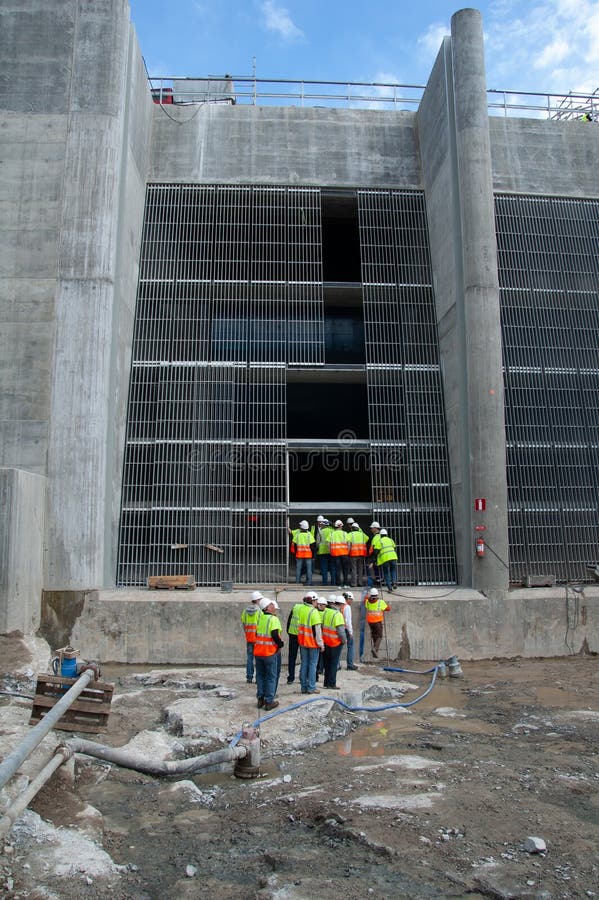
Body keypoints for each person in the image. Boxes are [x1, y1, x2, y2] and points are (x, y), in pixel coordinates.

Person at [254, 598, 284, 710]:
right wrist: (280, 644)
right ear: (267, 607)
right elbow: (275, 634)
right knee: (271, 677)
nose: (274, 607)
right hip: (269, 652)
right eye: (272, 605)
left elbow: (257, 633)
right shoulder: (273, 619)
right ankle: (269, 701)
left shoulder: (260, 618)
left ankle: (260, 698)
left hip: (258, 652)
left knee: (260, 676)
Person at [286, 590, 317, 684]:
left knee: (292, 657)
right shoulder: (309, 610)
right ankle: (304, 677)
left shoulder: (296, 607)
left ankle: (291, 677)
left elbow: (289, 620)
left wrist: (289, 631)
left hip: (293, 634)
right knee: (305, 658)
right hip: (303, 635)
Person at [297, 593, 324, 694]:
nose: (317, 603)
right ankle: (311, 688)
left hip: (303, 641)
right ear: (312, 601)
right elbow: (317, 631)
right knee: (313, 665)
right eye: (316, 601)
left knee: (304, 664)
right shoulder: (314, 612)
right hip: (312, 643)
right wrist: (321, 644)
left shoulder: (301, 609)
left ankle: (303, 687)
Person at [321, 597, 347, 689]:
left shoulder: (326, 611)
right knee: (333, 664)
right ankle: (332, 683)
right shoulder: (338, 615)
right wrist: (344, 641)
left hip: (325, 642)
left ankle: (326, 683)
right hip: (335, 643)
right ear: (341, 605)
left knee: (327, 664)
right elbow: (341, 631)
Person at [241, 589, 263, 683]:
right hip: (257, 639)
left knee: (249, 658)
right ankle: (258, 678)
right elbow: (262, 625)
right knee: (258, 660)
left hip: (249, 638)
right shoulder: (259, 612)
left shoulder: (245, 611)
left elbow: (243, 623)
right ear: (257, 600)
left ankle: (249, 677)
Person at [364, 587, 390, 659]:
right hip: (377, 622)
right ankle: (375, 649)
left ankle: (375, 650)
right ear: (377, 595)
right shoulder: (380, 602)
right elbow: (388, 608)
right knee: (380, 636)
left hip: (370, 622)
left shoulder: (367, 602)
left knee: (375, 635)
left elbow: (365, 602)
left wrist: (366, 597)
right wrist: (386, 604)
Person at [288, 520, 316, 585]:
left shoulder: (297, 535)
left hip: (299, 555)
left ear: (301, 527)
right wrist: (313, 556)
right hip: (308, 555)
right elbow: (313, 546)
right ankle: (309, 582)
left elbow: (293, 545)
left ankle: (297, 582)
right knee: (309, 569)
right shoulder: (309, 535)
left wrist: (294, 554)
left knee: (298, 569)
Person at [329, 519, 350, 586]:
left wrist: (331, 552)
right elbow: (349, 544)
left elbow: (328, 545)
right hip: (344, 554)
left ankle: (339, 583)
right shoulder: (345, 533)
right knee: (345, 569)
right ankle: (345, 583)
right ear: (341, 526)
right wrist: (348, 552)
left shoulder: (332, 534)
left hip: (335, 554)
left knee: (338, 569)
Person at [348, 521, 368, 587]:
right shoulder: (362, 534)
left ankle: (354, 584)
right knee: (360, 569)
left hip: (353, 554)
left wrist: (348, 552)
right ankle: (360, 583)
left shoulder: (350, 534)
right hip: (362, 554)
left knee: (354, 569)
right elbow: (367, 539)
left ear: (352, 528)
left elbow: (348, 543)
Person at [341, 590, 358, 670]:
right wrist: (350, 632)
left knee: (339, 647)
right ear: (348, 599)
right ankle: (350, 664)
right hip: (346, 629)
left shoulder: (341, 606)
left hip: (340, 628)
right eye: (351, 600)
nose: (352, 601)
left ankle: (337, 665)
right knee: (350, 646)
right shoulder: (347, 607)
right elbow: (348, 621)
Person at [315, 517, 333, 586]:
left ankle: (325, 583)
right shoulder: (332, 531)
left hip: (322, 552)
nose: (321, 525)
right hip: (331, 552)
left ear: (324, 525)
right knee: (332, 568)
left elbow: (317, 542)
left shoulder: (320, 531)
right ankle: (333, 582)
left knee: (324, 568)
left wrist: (318, 547)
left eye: (322, 524)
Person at [367, 521, 382, 585]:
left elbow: (373, 549)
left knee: (377, 570)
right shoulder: (381, 536)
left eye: (372, 528)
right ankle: (380, 581)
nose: (371, 529)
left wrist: (372, 560)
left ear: (376, 528)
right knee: (380, 570)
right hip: (381, 556)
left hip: (377, 556)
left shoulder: (376, 537)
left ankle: (378, 582)